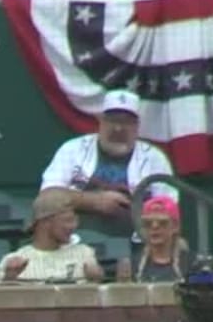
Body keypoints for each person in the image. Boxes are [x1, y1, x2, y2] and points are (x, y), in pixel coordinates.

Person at [40, 90, 178, 240]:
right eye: (113, 120)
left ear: (137, 126)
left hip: (136, 243)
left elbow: (168, 209)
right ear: (101, 121)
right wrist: (94, 201)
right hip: (74, 242)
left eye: (126, 122)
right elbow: (47, 197)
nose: (118, 129)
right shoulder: (73, 149)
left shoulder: (154, 158)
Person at [0, 189, 103, 285]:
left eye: (74, 220)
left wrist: (94, 280)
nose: (73, 226)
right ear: (45, 222)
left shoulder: (84, 254)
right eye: (67, 220)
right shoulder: (13, 262)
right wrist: (9, 279)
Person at [118, 194, 191, 283]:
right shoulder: (132, 266)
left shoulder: (192, 265)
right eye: (148, 223)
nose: (154, 227)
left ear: (175, 226)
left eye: (163, 223)